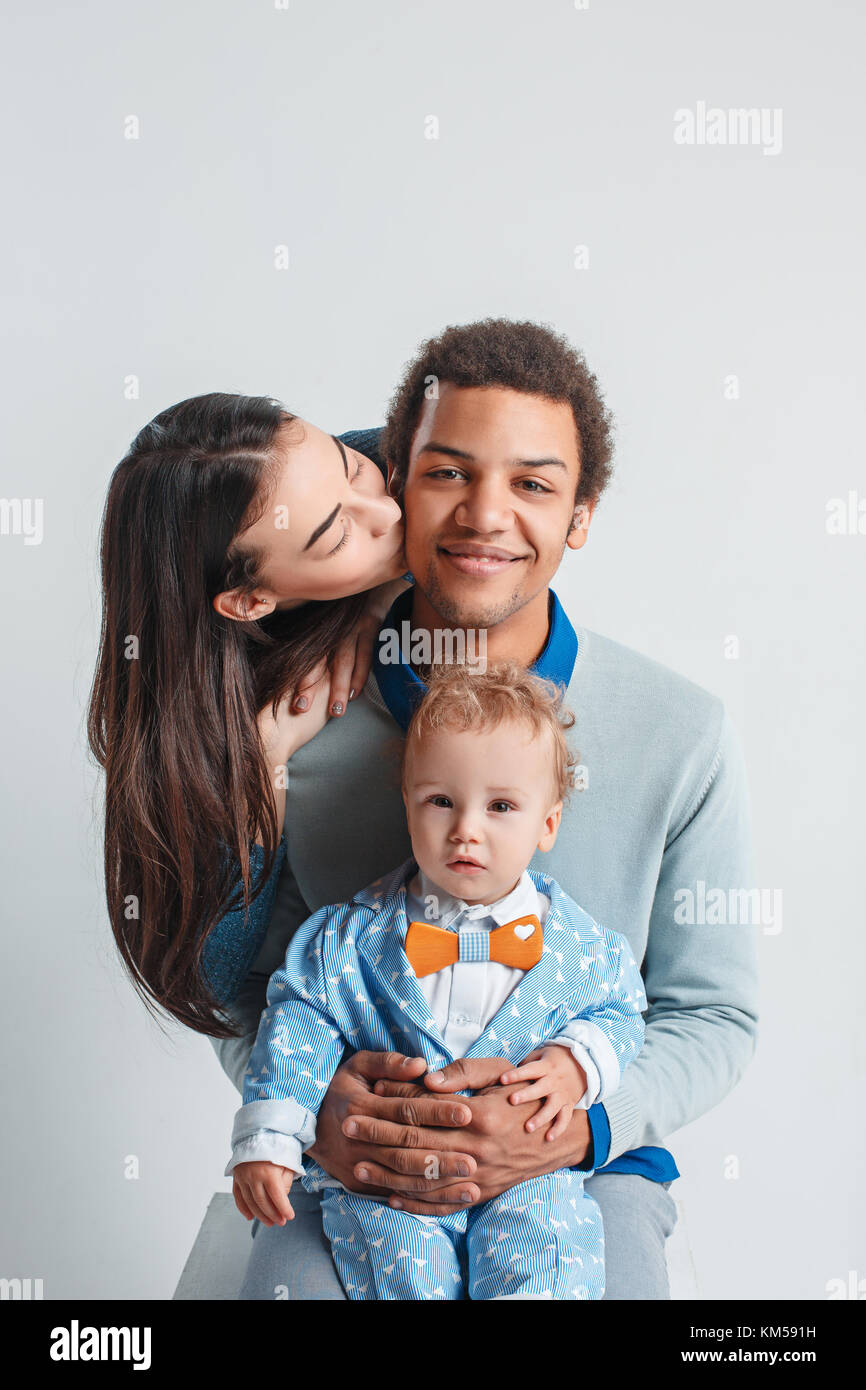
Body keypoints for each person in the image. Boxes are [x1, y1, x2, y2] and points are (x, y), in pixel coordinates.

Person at [207, 318, 760, 1301]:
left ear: (580, 515)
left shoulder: (680, 734)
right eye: (448, 473)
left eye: (534, 484)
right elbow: (249, 986)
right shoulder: (296, 724)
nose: (484, 516)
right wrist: (318, 1113)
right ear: (396, 484)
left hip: (586, 1171)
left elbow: (710, 1012)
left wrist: (580, 1119)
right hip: (352, 1172)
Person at [226, 661, 646, 1300]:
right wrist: (271, 1138)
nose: (466, 829)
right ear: (407, 802)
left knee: (546, 1257)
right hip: (389, 1171)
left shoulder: (584, 950)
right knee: (396, 1263)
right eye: (441, 801)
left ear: (549, 823)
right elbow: (295, 1027)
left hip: (529, 1169)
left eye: (501, 806)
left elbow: (622, 1013)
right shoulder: (349, 940)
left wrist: (576, 1064)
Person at [87, 393, 407, 1037]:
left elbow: (474, 443)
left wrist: (380, 598)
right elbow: (211, 976)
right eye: (340, 535)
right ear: (251, 601)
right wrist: (264, 760)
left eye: (350, 467)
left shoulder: (343, 472)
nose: (390, 511)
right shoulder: (194, 724)